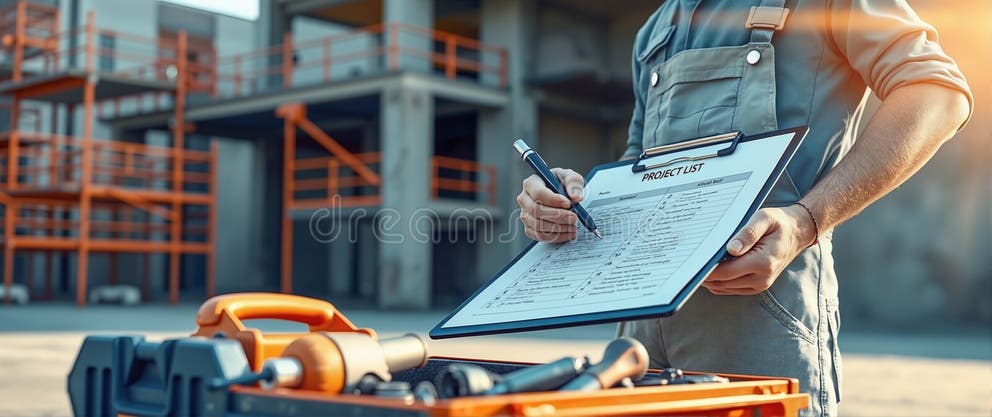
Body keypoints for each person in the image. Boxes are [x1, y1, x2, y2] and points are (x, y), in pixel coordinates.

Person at [514, 1, 973, 416]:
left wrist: (805, 221)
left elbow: (938, 91)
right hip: (639, 326)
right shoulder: (656, 28)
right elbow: (638, 167)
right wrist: (567, 203)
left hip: (761, 315)